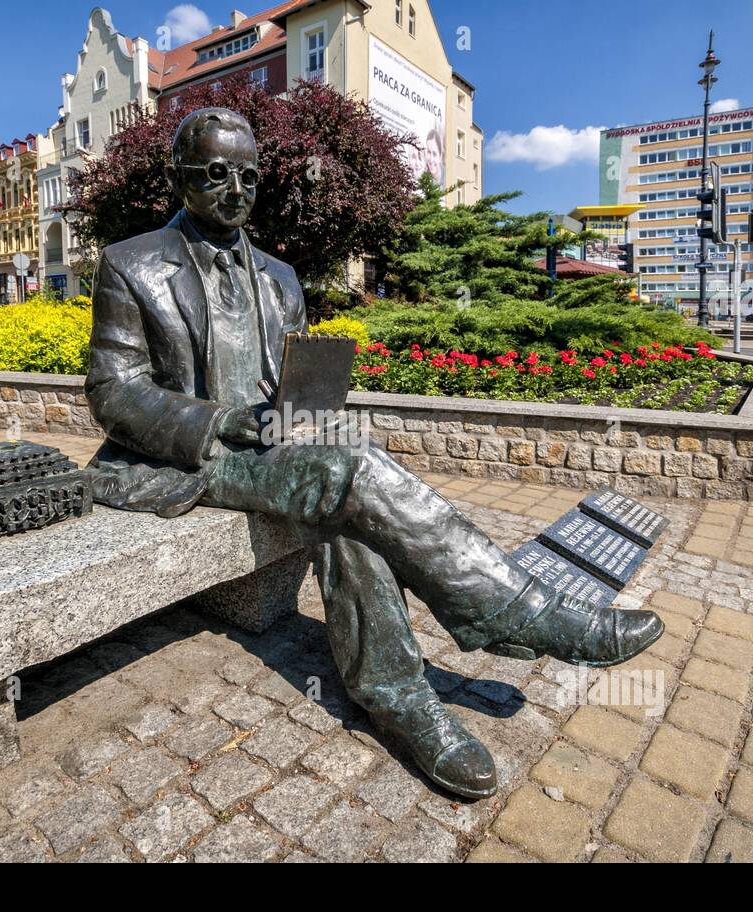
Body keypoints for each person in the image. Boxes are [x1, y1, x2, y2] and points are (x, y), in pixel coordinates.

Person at [84, 108, 663, 799]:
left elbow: (291, 383)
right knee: (351, 471)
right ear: (179, 176)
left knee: (347, 486)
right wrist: (221, 420)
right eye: (215, 174)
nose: (235, 189)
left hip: (274, 445)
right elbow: (113, 392)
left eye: (248, 176)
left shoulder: (280, 276)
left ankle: (397, 692)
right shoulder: (130, 264)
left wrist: (300, 410)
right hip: (192, 456)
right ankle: (522, 615)